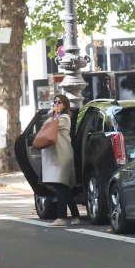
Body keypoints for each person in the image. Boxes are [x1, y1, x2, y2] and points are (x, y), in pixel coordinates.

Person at [39, 94, 80, 226]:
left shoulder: (64, 118)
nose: (56, 103)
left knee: (60, 186)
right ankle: (76, 216)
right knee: (63, 187)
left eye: (59, 102)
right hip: (55, 156)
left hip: (61, 155)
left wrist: (51, 116)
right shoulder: (56, 117)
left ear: (65, 105)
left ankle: (61, 217)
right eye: (55, 101)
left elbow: (49, 126)